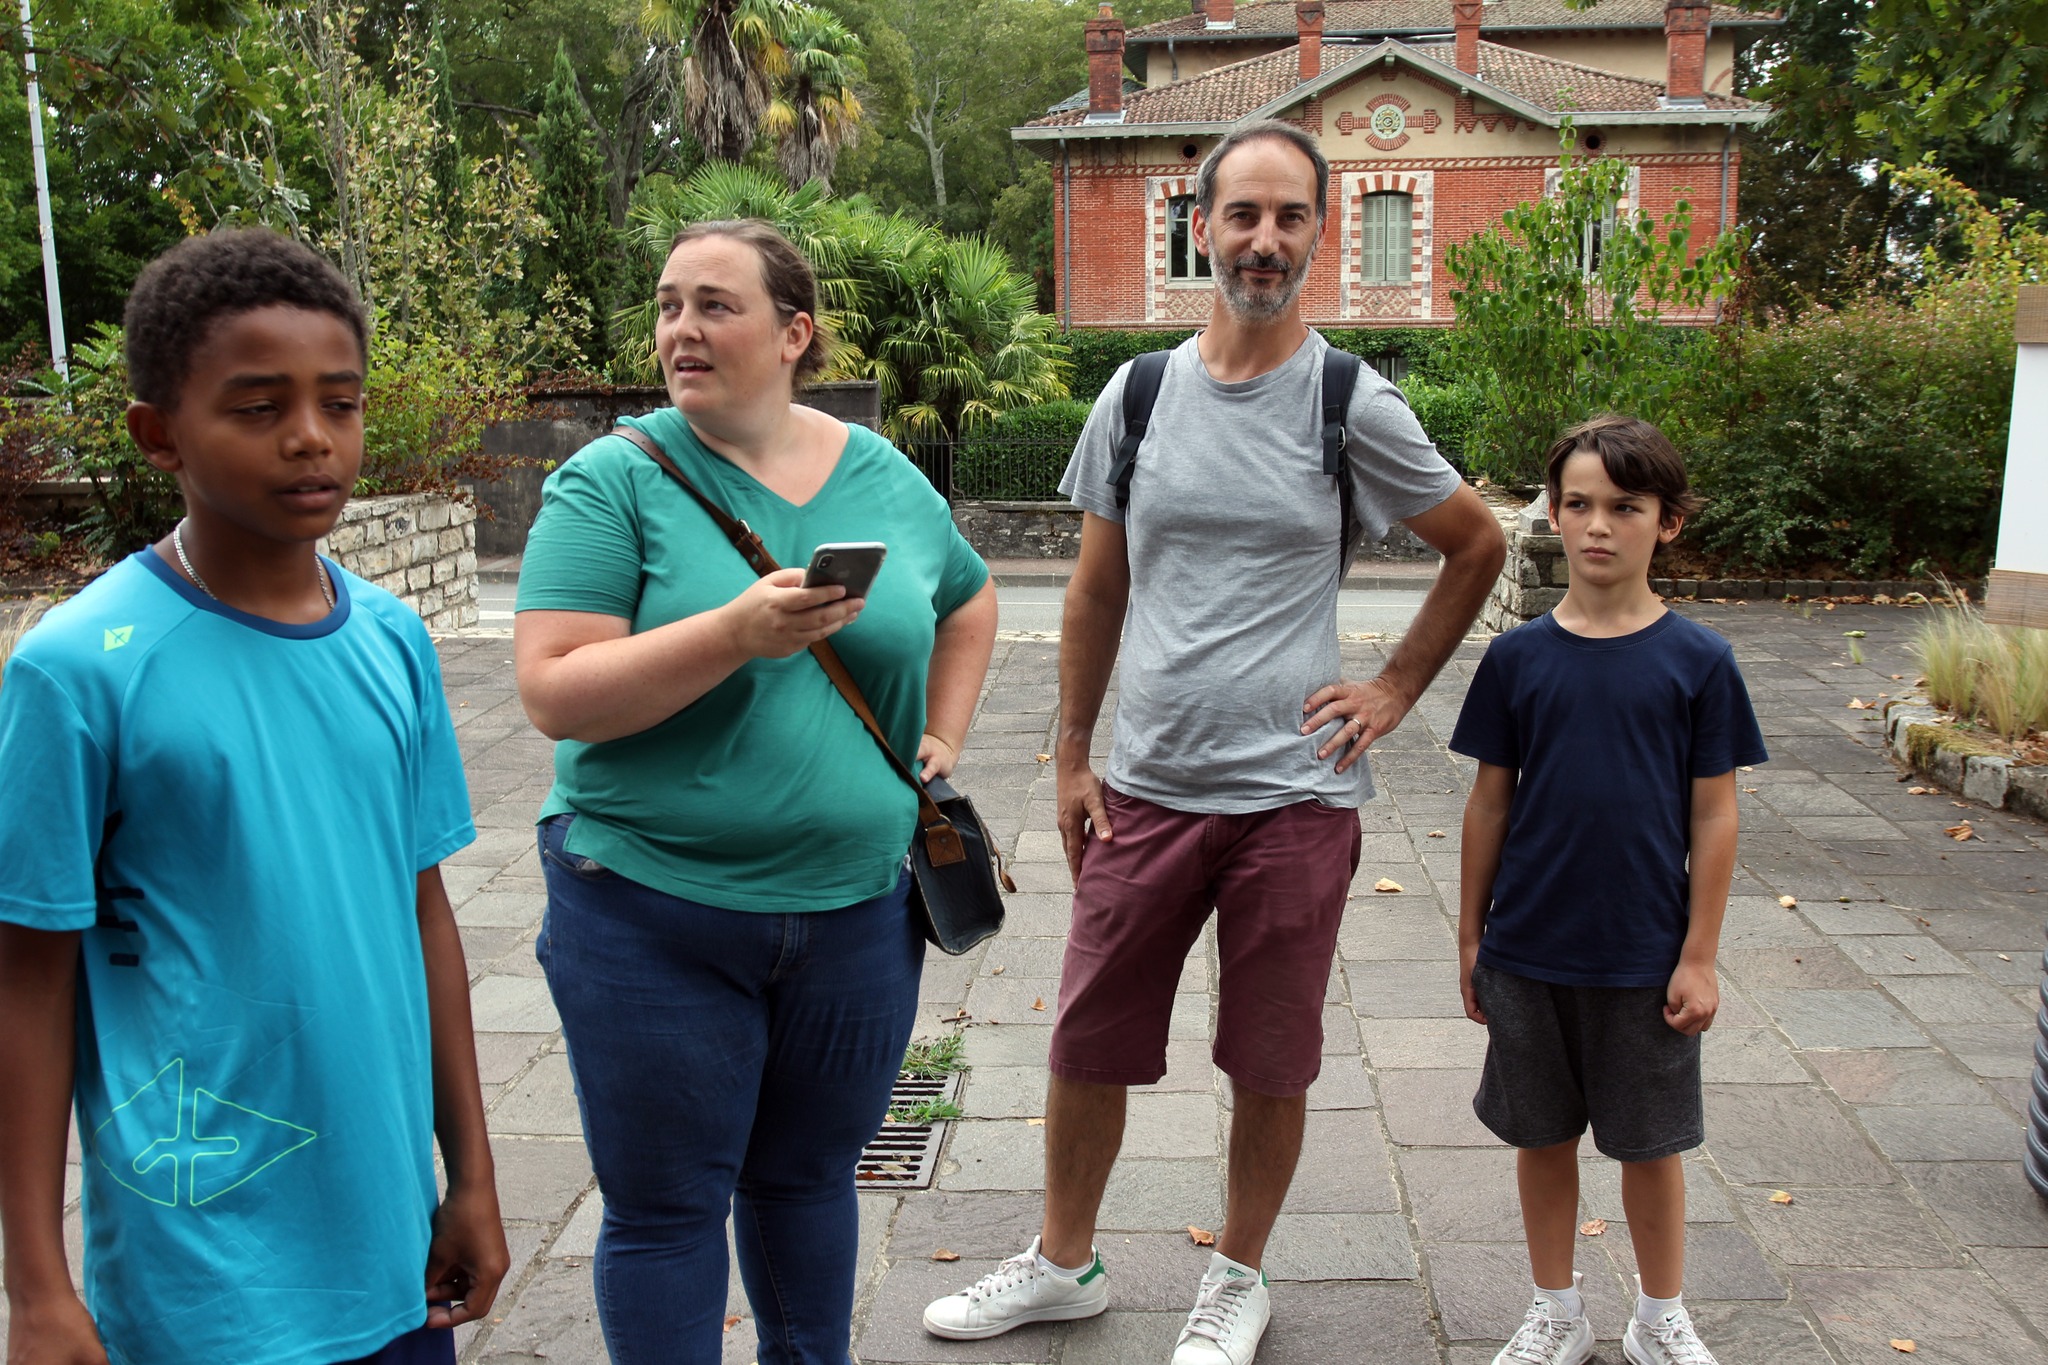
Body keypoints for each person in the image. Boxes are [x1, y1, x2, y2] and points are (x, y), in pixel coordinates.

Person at [924, 120, 1506, 1365]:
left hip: (1295, 799)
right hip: (1143, 789)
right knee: (1086, 1042)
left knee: (1269, 1055)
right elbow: (1093, 593)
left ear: (1318, 234)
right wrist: (1072, 758)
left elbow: (1477, 543)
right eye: (1240, 215)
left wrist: (1396, 686)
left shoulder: (1351, 401)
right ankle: (1063, 1263)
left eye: (1288, 216)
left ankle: (1235, 1279)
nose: (1262, 239)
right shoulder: (1137, 393)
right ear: (1201, 226)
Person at [0, 229, 508, 1365]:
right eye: (257, 406)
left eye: (341, 401)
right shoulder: (78, 670)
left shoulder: (390, 642)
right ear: (157, 433)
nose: (310, 438)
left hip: (390, 1252)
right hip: (201, 1277)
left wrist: (469, 1176)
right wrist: (35, 1288)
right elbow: (26, 984)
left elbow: (422, 916)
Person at [513, 219, 999, 1365]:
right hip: (649, 914)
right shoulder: (609, 483)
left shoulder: (882, 475)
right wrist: (734, 633)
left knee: (806, 1184)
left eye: (714, 305)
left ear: (793, 333)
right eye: (669, 303)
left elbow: (968, 602)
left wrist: (941, 729)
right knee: (668, 1209)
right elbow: (553, 692)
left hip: (857, 917)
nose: (681, 327)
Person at [1450, 416, 1767, 1365]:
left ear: (1665, 522)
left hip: (1643, 955)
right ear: (1553, 513)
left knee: (1649, 1146)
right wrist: (1471, 937)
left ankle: (1660, 1314)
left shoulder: (1699, 662)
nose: (1598, 526)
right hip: (1528, 951)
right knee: (1540, 1139)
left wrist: (1699, 953)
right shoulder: (1516, 660)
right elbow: (1489, 806)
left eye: (1624, 507)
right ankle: (1556, 1308)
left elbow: (1715, 816)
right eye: (1578, 504)